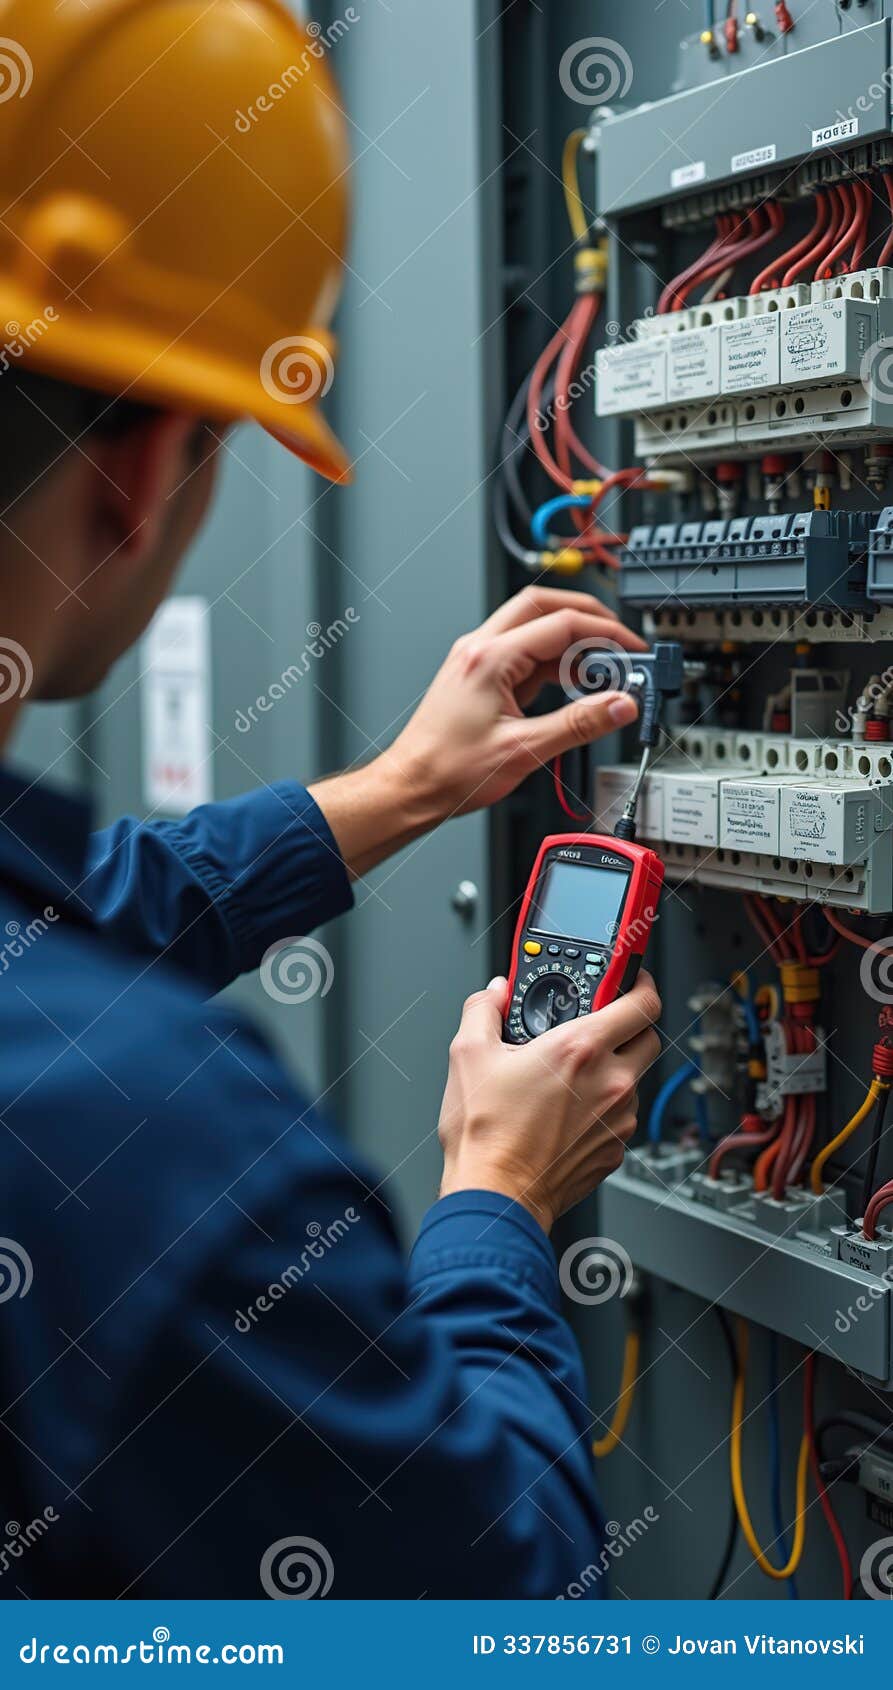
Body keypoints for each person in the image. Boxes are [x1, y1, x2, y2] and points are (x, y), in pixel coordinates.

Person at [0, 0, 661, 1597]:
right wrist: (496, 1206)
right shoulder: (162, 1152)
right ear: (147, 467)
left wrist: (386, 794)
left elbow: (72, 923)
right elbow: (488, 1605)